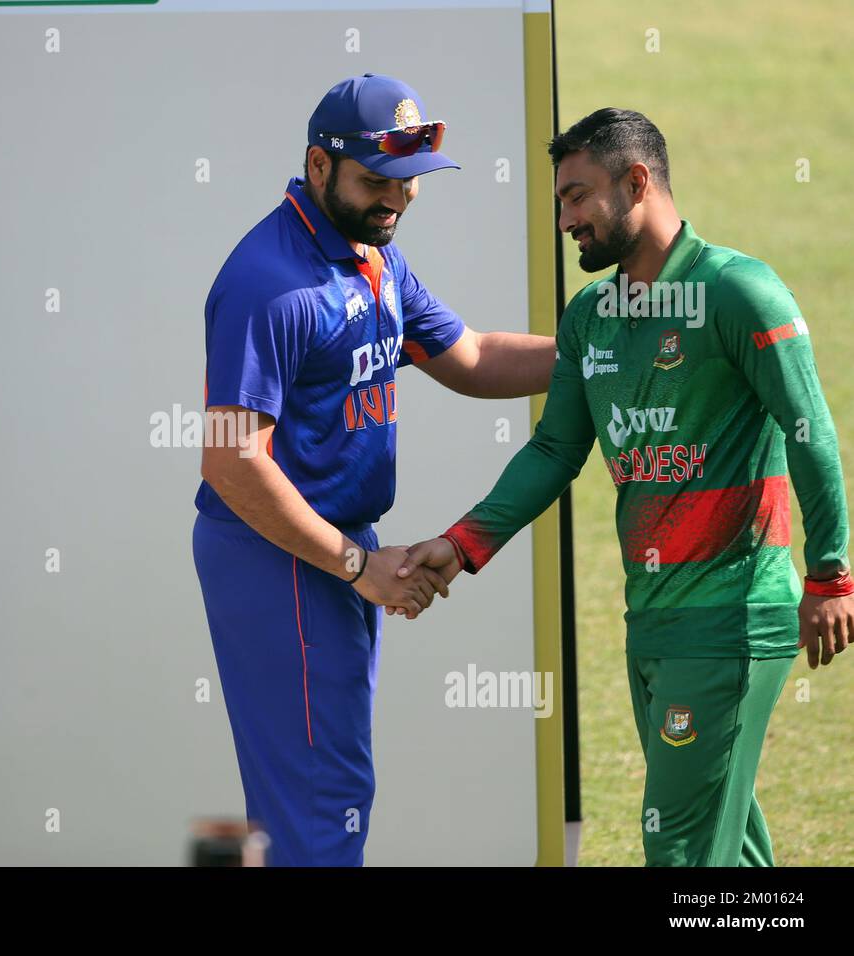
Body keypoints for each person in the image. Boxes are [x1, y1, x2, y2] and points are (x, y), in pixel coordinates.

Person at [396, 108, 854, 866]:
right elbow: (552, 450)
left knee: (676, 849)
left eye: (578, 197)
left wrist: (831, 572)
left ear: (637, 181)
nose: (566, 219)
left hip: (731, 618)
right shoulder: (590, 318)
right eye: (559, 203)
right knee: (728, 853)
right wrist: (463, 542)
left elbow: (811, 431)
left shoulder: (739, 292)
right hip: (652, 622)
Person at [193, 73, 555, 866]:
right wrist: (356, 564)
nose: (396, 199)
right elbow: (228, 459)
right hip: (280, 557)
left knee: (325, 795)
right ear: (318, 167)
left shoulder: (371, 257)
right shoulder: (266, 281)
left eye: (408, 182)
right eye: (376, 181)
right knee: (321, 803)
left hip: (334, 546)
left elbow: (471, 357)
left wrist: (599, 354)